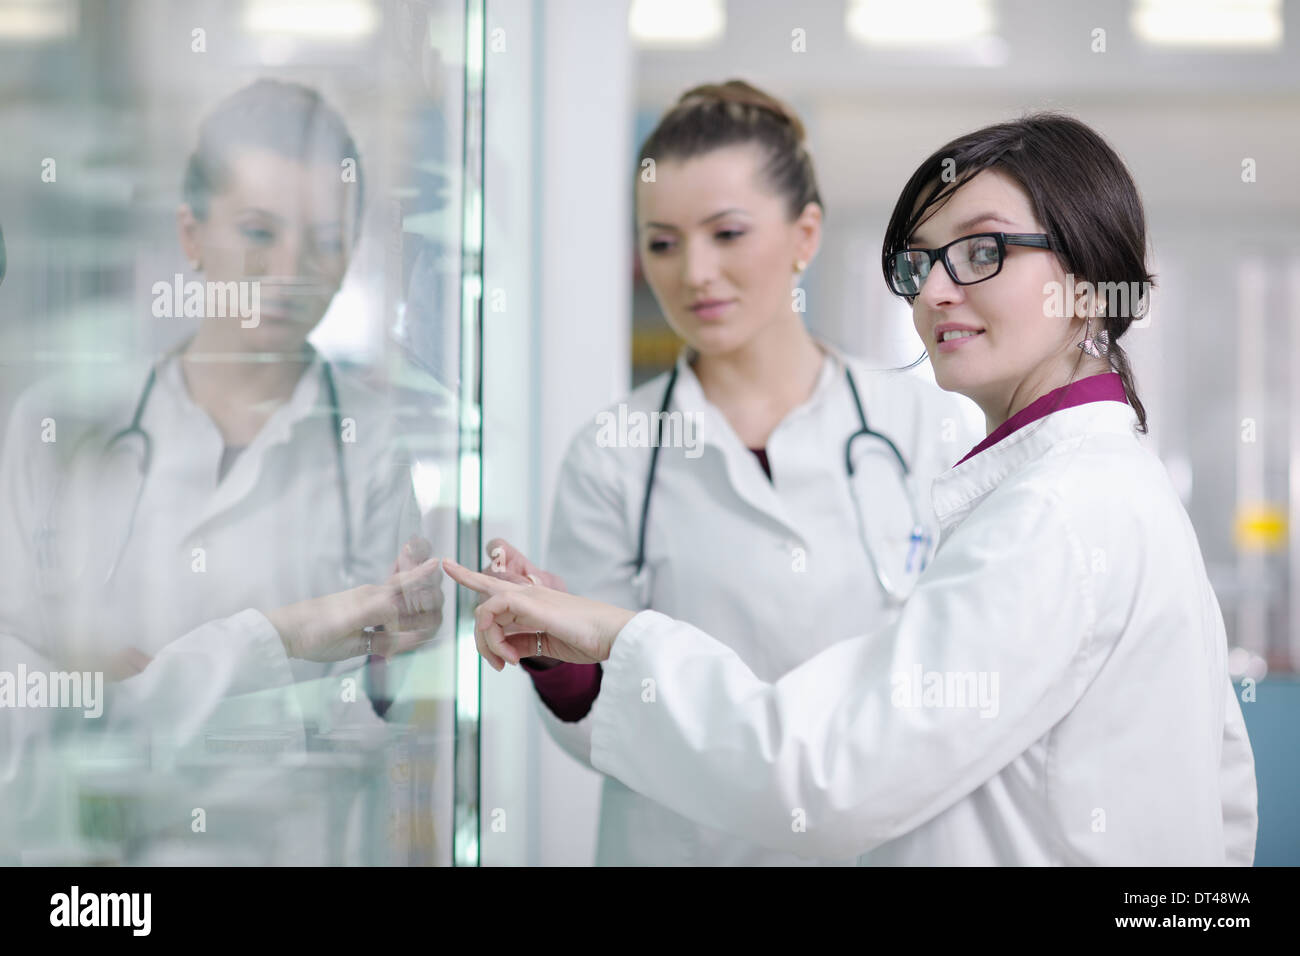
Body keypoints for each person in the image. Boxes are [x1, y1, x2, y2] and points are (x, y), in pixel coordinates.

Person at [449, 112, 1259, 866]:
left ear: (1088, 281)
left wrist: (619, 636)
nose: (935, 291)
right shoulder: (1092, 486)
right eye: (920, 262)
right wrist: (589, 656)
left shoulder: (1053, 511)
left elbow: (825, 766)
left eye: (982, 251)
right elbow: (1221, 803)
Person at [485, 80, 980, 865]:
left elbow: (956, 676)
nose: (695, 273)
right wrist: (556, 659)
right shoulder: (613, 453)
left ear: (804, 235)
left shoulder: (923, 426)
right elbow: (596, 729)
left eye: (727, 233)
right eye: (663, 243)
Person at [0, 79, 445, 861]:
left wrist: (149, 693)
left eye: (325, 238)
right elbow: (22, 691)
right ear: (191, 234)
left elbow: (369, 722)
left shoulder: (369, 445)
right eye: (258, 231)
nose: (291, 269)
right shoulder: (65, 427)